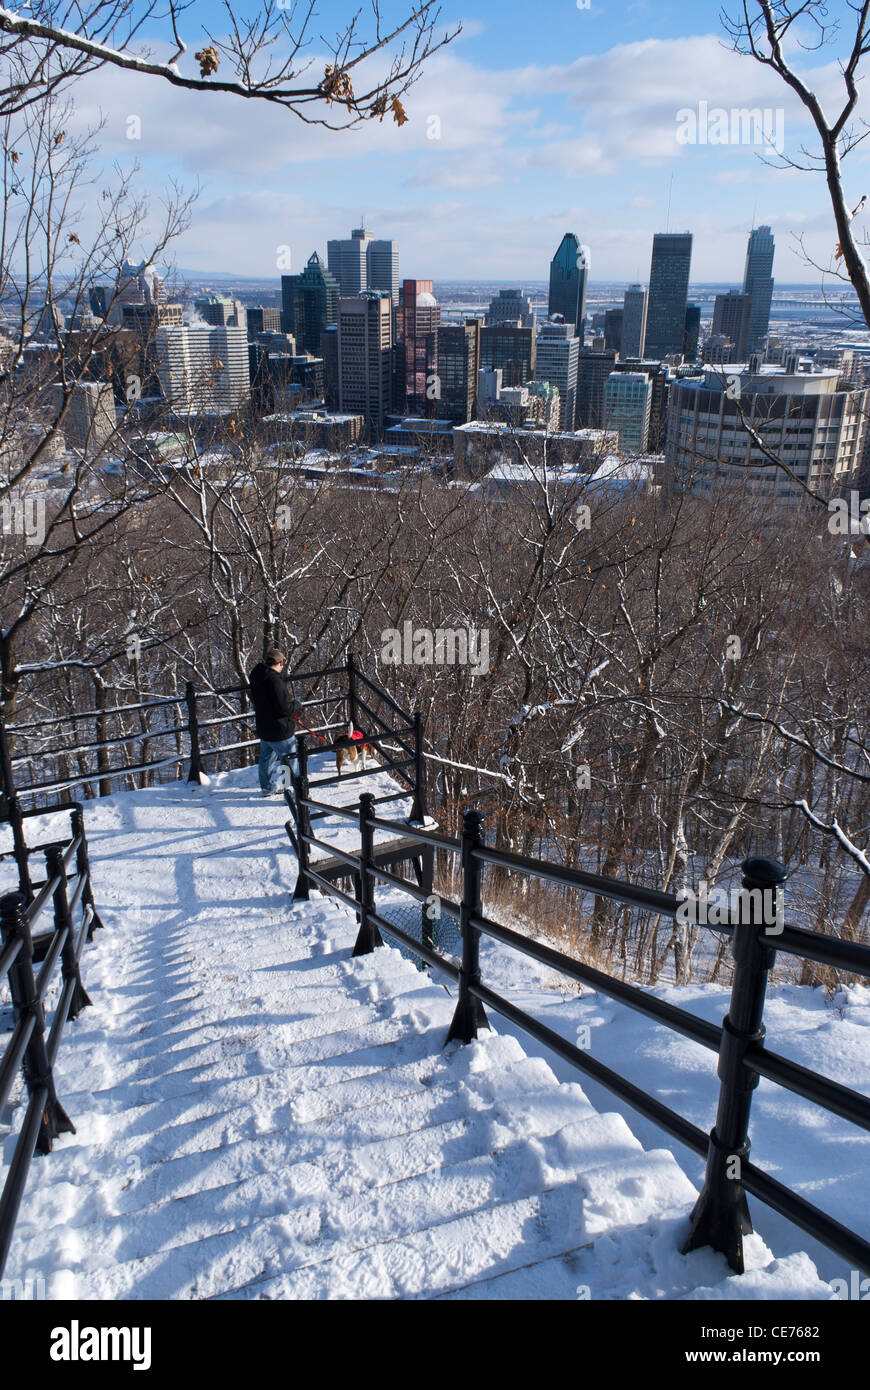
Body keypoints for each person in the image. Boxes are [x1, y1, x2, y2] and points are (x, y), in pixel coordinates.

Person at [248, 648, 300, 796]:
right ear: (280, 662)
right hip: (280, 729)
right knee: (289, 761)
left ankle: (267, 788)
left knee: (266, 760)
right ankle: (291, 792)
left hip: (264, 726)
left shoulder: (256, 675)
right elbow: (284, 708)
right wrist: (297, 705)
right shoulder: (274, 680)